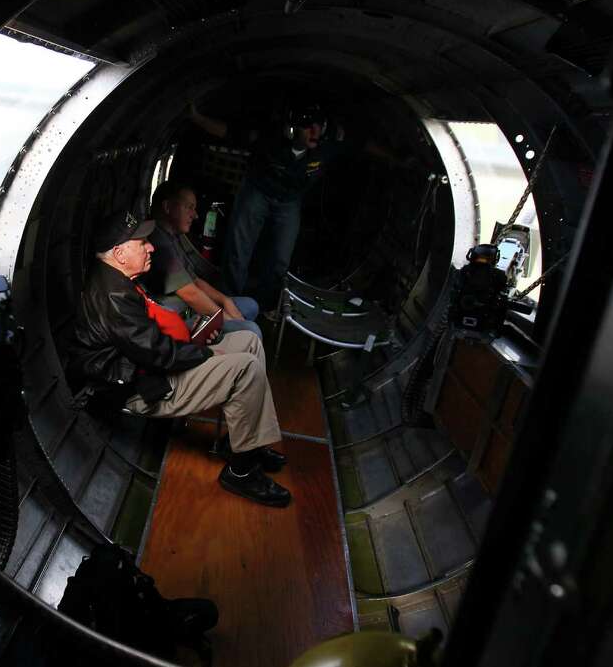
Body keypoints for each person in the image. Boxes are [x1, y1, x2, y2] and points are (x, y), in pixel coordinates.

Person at [68, 209, 291, 507]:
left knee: (249, 341)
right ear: (120, 253)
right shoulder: (112, 296)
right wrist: (203, 351)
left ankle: (242, 442)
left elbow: (154, 338)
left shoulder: (119, 278)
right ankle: (240, 473)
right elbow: (159, 355)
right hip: (139, 388)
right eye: (142, 244)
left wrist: (195, 335)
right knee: (245, 368)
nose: (151, 247)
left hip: (154, 366)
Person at [189, 100, 401, 317]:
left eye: (319, 125)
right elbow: (229, 131)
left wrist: (396, 159)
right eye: (308, 126)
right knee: (239, 248)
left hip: (290, 201)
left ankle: (266, 305)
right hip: (258, 191)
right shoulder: (269, 137)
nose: (315, 132)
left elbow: (363, 144)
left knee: (280, 257)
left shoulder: (330, 141)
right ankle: (228, 302)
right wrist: (197, 118)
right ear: (292, 129)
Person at [144, 179, 262, 339]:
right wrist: (227, 319)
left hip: (191, 308)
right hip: (178, 318)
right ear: (167, 207)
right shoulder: (158, 240)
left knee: (251, 305)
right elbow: (190, 293)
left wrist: (225, 301)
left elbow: (196, 281)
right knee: (251, 330)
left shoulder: (173, 236)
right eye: (189, 207)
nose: (195, 215)